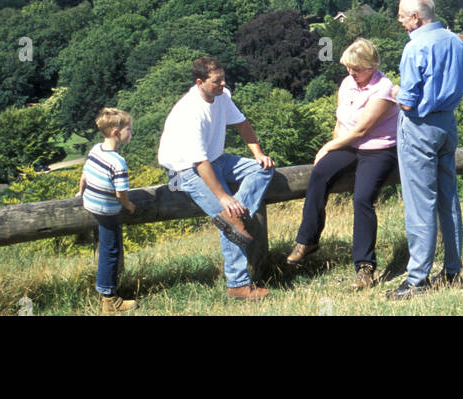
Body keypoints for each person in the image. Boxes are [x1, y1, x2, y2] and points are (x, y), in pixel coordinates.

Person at [158, 56, 276, 300]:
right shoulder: (191, 112)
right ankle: (238, 285)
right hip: (185, 170)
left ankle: (234, 218)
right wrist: (223, 198)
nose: (223, 83)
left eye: (223, 78)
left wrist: (259, 154)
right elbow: (199, 163)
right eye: (216, 81)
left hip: (216, 159)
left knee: (263, 169)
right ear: (199, 82)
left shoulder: (222, 96)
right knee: (230, 219)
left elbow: (242, 123)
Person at [287, 38, 399, 291]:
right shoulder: (347, 84)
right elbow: (341, 120)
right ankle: (308, 240)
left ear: (372, 66)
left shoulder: (383, 88)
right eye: (348, 68)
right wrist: (335, 148)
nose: (351, 73)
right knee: (320, 174)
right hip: (348, 144)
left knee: (362, 199)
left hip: (379, 148)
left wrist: (327, 146)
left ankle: (364, 267)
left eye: (357, 69)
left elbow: (362, 130)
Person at [388, 0, 463, 301]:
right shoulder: (455, 40)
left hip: (419, 128)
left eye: (401, 16)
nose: (400, 22)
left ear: (415, 17)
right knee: (448, 198)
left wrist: (395, 92)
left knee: (419, 203)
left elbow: (408, 103)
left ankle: (417, 279)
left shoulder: (414, 48)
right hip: (447, 124)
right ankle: (452, 269)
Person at [78, 107, 138, 314]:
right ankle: (109, 300)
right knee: (110, 252)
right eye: (129, 130)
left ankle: (108, 296)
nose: (131, 133)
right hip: (107, 211)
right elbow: (121, 194)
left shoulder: (96, 149)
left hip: (91, 203)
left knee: (106, 248)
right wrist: (129, 206)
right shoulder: (118, 162)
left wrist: (80, 193)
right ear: (116, 133)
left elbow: (84, 174)